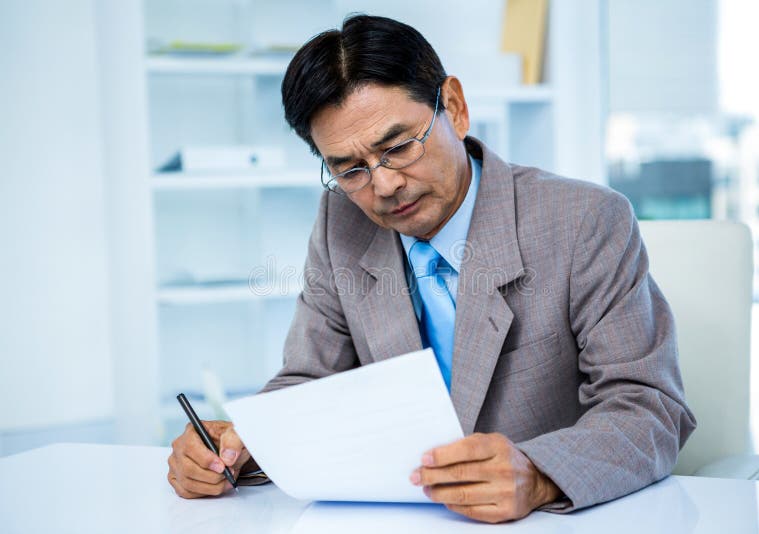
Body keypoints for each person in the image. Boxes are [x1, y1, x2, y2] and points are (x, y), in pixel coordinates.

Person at [168, 14, 696, 523]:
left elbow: (648, 408)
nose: (383, 185)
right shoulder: (340, 223)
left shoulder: (584, 221)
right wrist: (243, 448)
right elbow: (309, 383)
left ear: (456, 108)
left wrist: (539, 475)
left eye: (397, 147)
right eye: (349, 169)